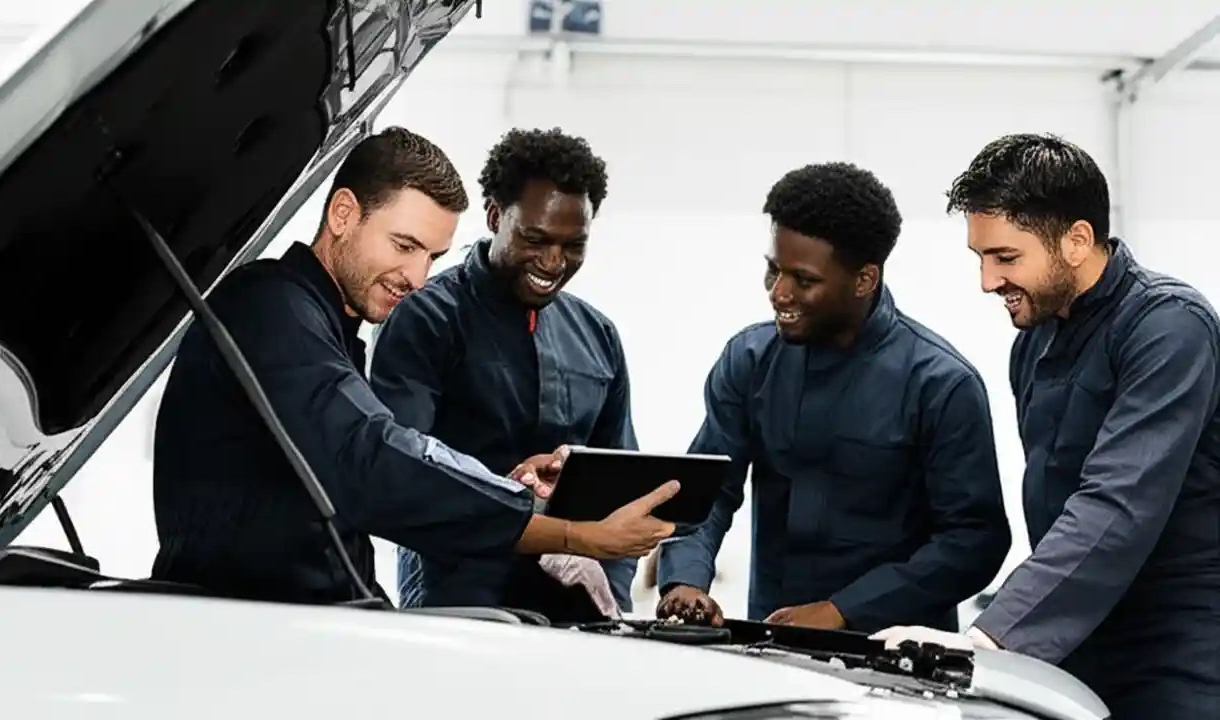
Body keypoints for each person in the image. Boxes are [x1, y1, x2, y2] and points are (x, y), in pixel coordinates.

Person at [150, 126, 677, 608]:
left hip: (308, 623)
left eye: (432, 256)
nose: (417, 277)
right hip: (246, 632)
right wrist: (566, 530)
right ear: (342, 215)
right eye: (404, 246)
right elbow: (380, 461)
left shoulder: (326, 326)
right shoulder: (270, 309)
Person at [874, 133, 1220, 718]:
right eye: (980, 258)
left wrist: (989, 639)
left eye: (1006, 258)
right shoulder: (1033, 343)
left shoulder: (1169, 328)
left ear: (1077, 240)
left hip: (1176, 644)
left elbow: (1118, 502)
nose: (987, 281)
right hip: (1075, 637)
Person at [655, 162, 1012, 634]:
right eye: (773, 270)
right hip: (770, 644)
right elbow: (706, 492)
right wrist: (684, 581)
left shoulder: (941, 384)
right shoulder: (749, 360)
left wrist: (846, 610)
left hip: (894, 657)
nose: (778, 293)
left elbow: (974, 541)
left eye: (803, 280)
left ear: (864, 280)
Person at [369, 127, 642, 618]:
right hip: (457, 603)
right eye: (535, 239)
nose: (554, 262)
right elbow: (402, 477)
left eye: (573, 245)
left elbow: (622, 478)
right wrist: (513, 487)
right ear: (495, 216)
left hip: (578, 610)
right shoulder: (423, 319)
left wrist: (611, 589)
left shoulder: (597, 335)